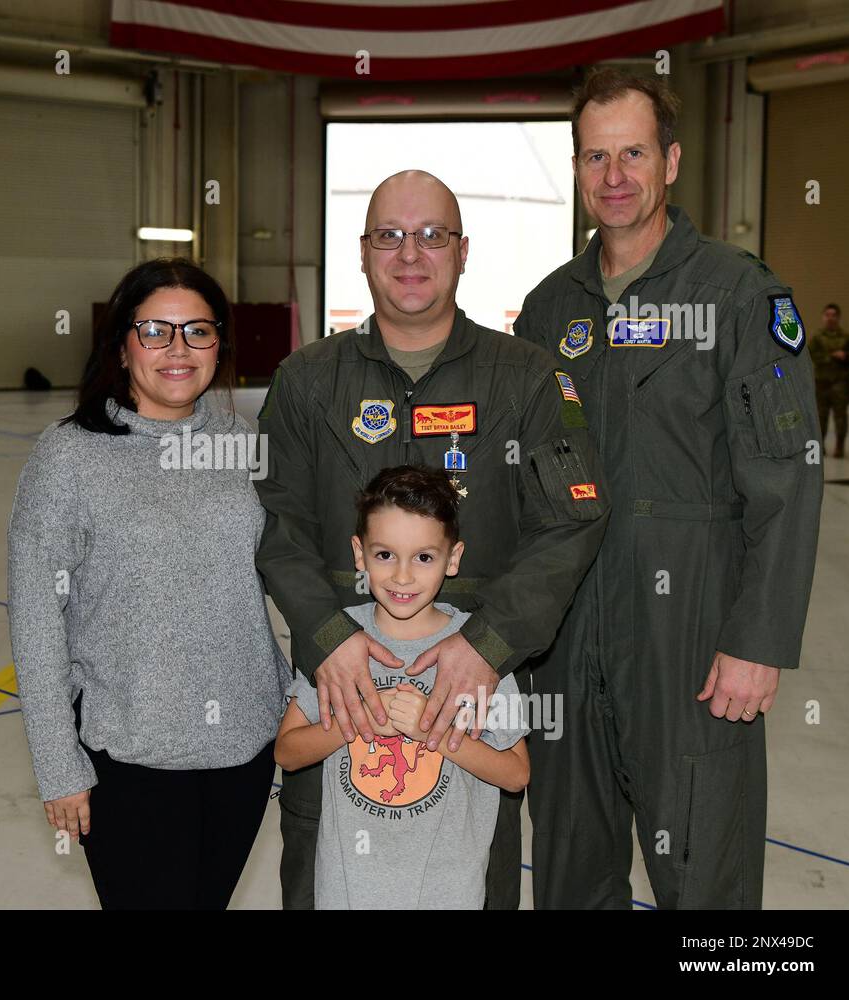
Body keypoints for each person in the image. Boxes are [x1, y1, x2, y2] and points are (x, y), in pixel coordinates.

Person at [255, 169, 609, 910]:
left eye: (431, 236)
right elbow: (275, 525)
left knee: (470, 882)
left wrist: (488, 645)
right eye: (390, 235)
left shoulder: (528, 379)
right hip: (340, 696)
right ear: (362, 251)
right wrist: (329, 639)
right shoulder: (308, 381)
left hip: (468, 700)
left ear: (462, 250)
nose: (410, 254)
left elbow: (571, 518)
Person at [515, 68, 824, 909]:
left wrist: (758, 640)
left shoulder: (737, 293)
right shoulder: (549, 311)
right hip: (568, 646)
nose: (614, 176)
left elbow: (787, 478)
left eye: (634, 153)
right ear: (577, 170)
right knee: (572, 875)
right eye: (595, 156)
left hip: (692, 641)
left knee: (705, 875)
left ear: (672, 161)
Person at [8, 258, 289, 910]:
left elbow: (274, 578)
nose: (178, 350)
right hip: (128, 759)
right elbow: (35, 617)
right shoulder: (69, 455)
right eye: (156, 331)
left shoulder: (242, 443)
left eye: (198, 331)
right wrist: (58, 764)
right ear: (121, 342)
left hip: (243, 749)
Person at [275, 465, 529, 909]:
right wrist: (364, 719)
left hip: (447, 891)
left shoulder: (478, 652)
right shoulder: (339, 642)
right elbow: (288, 752)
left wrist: (429, 729)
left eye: (424, 557)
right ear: (359, 553)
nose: (403, 577)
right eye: (385, 555)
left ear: (453, 558)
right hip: (348, 890)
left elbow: (515, 773)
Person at [808, 303, 849, 457]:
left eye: (833, 315)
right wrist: (830, 357)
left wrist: (846, 356)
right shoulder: (816, 338)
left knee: (840, 418)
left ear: (838, 318)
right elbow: (809, 356)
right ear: (823, 317)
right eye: (827, 315)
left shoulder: (848, 338)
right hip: (821, 383)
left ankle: (839, 447)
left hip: (840, 383)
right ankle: (819, 447)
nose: (830, 318)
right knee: (820, 418)